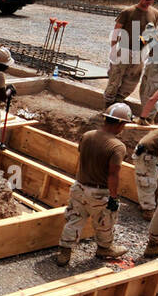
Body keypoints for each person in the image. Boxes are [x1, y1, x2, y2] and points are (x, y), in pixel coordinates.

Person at [56, 103, 132, 266]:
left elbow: (82, 156)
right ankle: (104, 248)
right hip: (99, 193)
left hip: (79, 187)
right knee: (105, 221)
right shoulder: (117, 147)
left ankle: (65, 251)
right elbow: (113, 174)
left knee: (74, 218)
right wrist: (113, 197)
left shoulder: (88, 135)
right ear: (120, 123)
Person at [104, 0, 158, 106]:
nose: (148, 2)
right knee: (115, 79)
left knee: (131, 82)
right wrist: (113, 50)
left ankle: (118, 103)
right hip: (124, 50)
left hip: (140, 53)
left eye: (151, 0)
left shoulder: (155, 14)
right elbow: (116, 33)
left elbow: (154, 34)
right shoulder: (128, 12)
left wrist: (150, 45)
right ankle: (108, 105)